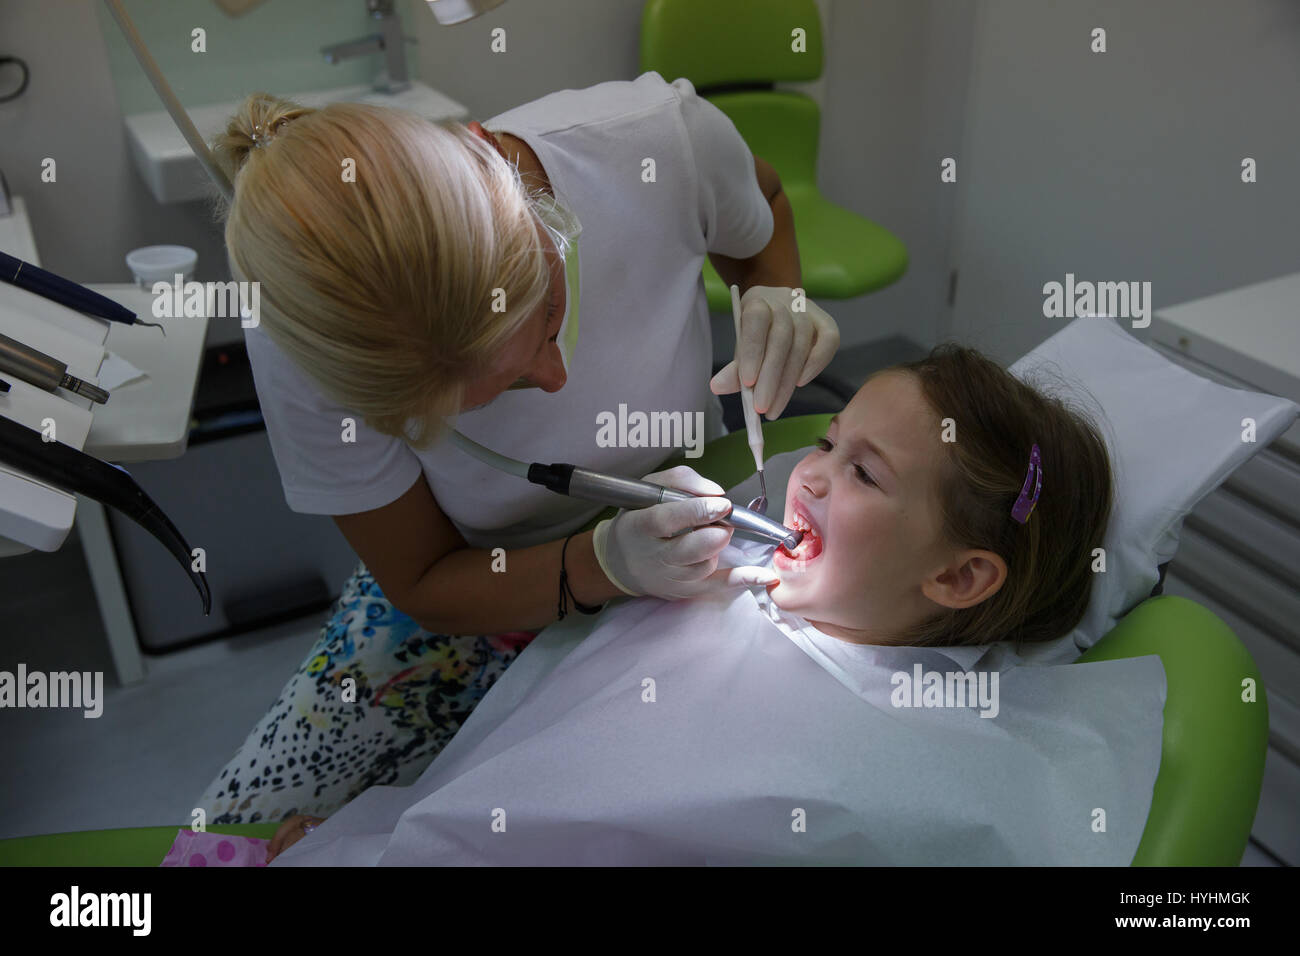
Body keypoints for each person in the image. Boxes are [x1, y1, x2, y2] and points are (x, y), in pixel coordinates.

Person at [195, 71, 840, 826]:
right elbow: (426, 579)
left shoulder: (654, 143)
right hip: (482, 580)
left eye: (550, 313)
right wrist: (603, 566)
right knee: (245, 842)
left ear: (488, 160)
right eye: (496, 394)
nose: (558, 376)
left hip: (697, 499)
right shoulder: (296, 344)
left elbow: (760, 209)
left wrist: (777, 291)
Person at [264, 343, 1122, 864]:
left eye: (863, 473)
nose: (810, 474)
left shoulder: (877, 771)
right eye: (827, 441)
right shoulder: (715, 576)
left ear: (960, 579)